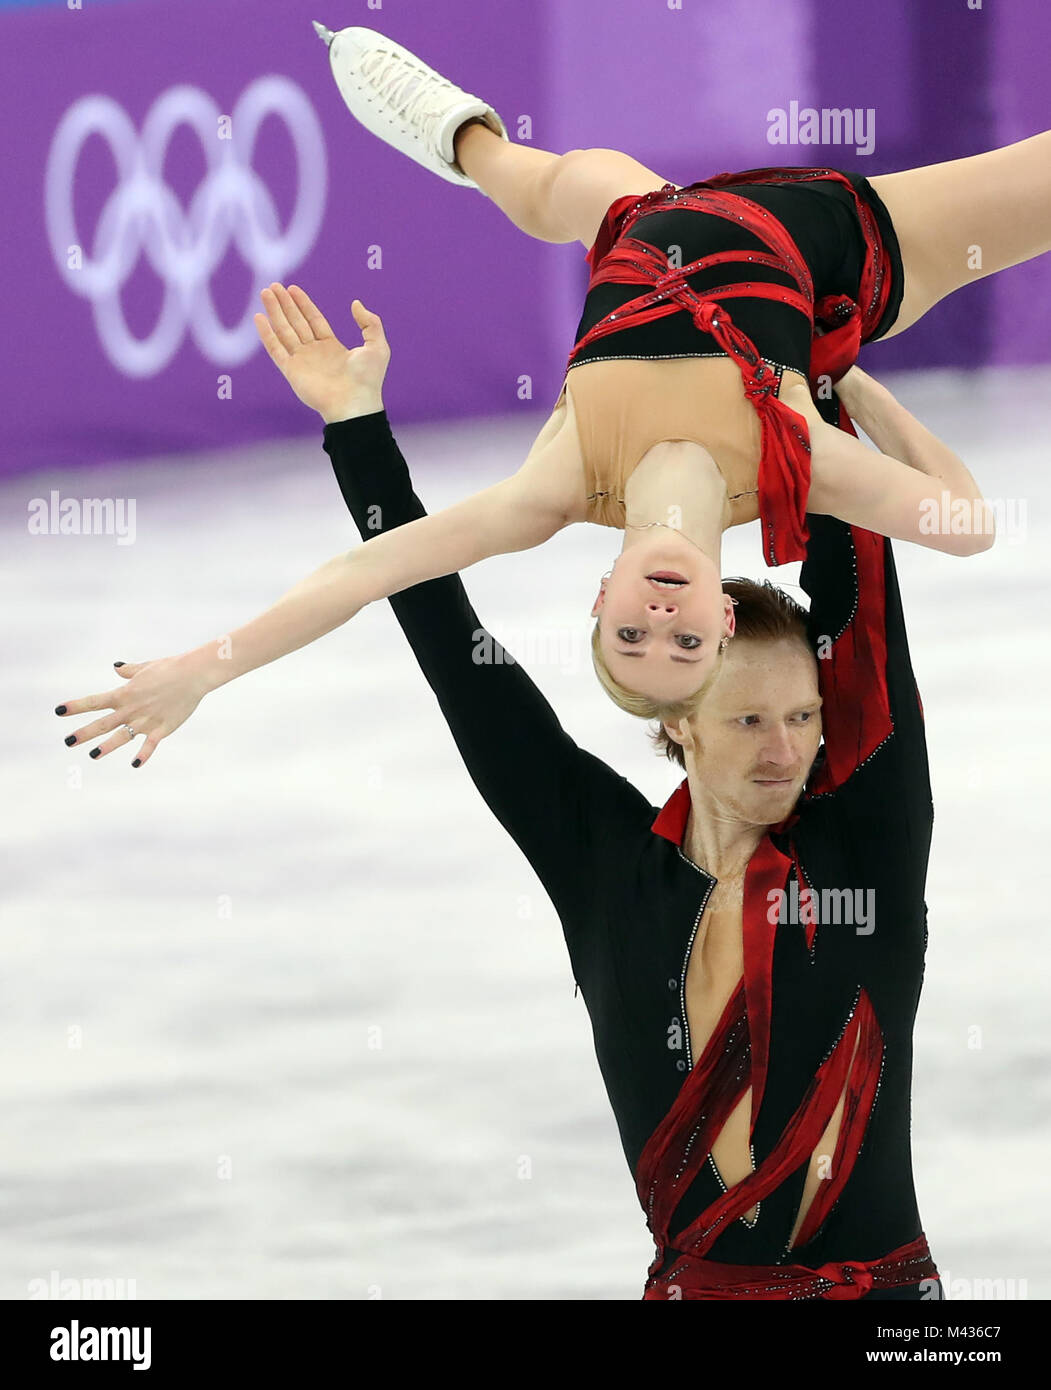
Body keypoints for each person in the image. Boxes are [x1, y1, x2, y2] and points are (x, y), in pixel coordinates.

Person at [56, 308, 944, 1299]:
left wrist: (813, 396)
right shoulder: (603, 861)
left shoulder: (868, 840)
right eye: (747, 722)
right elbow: (453, 649)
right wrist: (357, 423)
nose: (786, 749)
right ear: (679, 720)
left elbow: (862, 588)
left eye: (803, 716)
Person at [294, 22, 1051, 716]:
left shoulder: (556, 488)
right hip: (852, 252)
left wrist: (194, 674)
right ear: (722, 619)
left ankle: (458, 136)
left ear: (600, 599)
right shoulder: (796, 469)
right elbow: (969, 527)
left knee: (558, 188)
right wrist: (855, 386)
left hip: (638, 226)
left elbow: (360, 574)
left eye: (629, 636)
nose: (659, 624)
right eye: (685, 644)